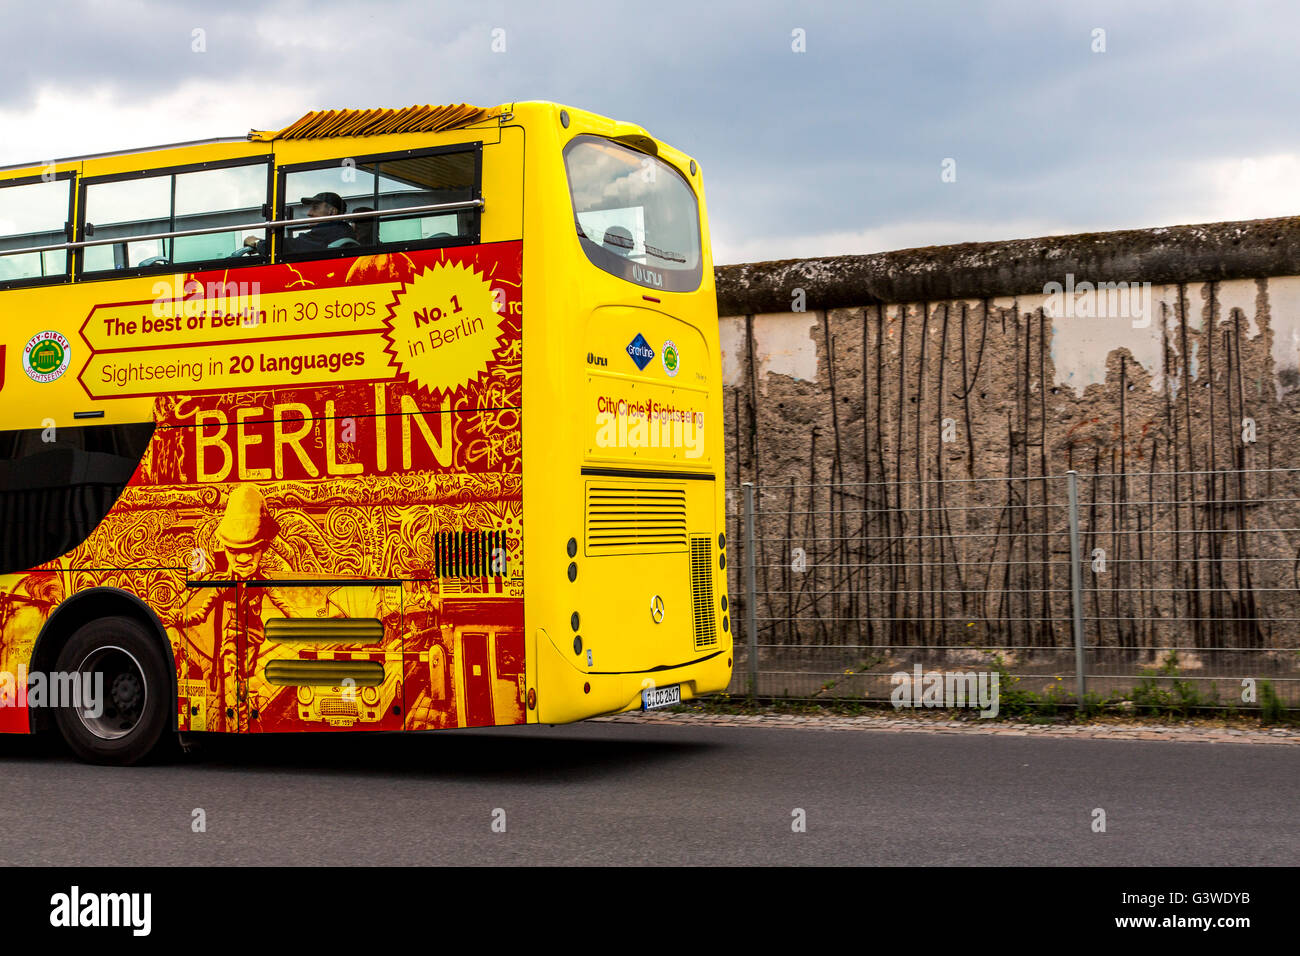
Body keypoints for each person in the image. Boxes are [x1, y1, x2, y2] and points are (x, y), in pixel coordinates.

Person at [244, 191, 355, 254]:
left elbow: (286, 247)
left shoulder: (325, 233)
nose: (309, 213)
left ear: (332, 212)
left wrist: (256, 243)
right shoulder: (344, 230)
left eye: (315, 208)